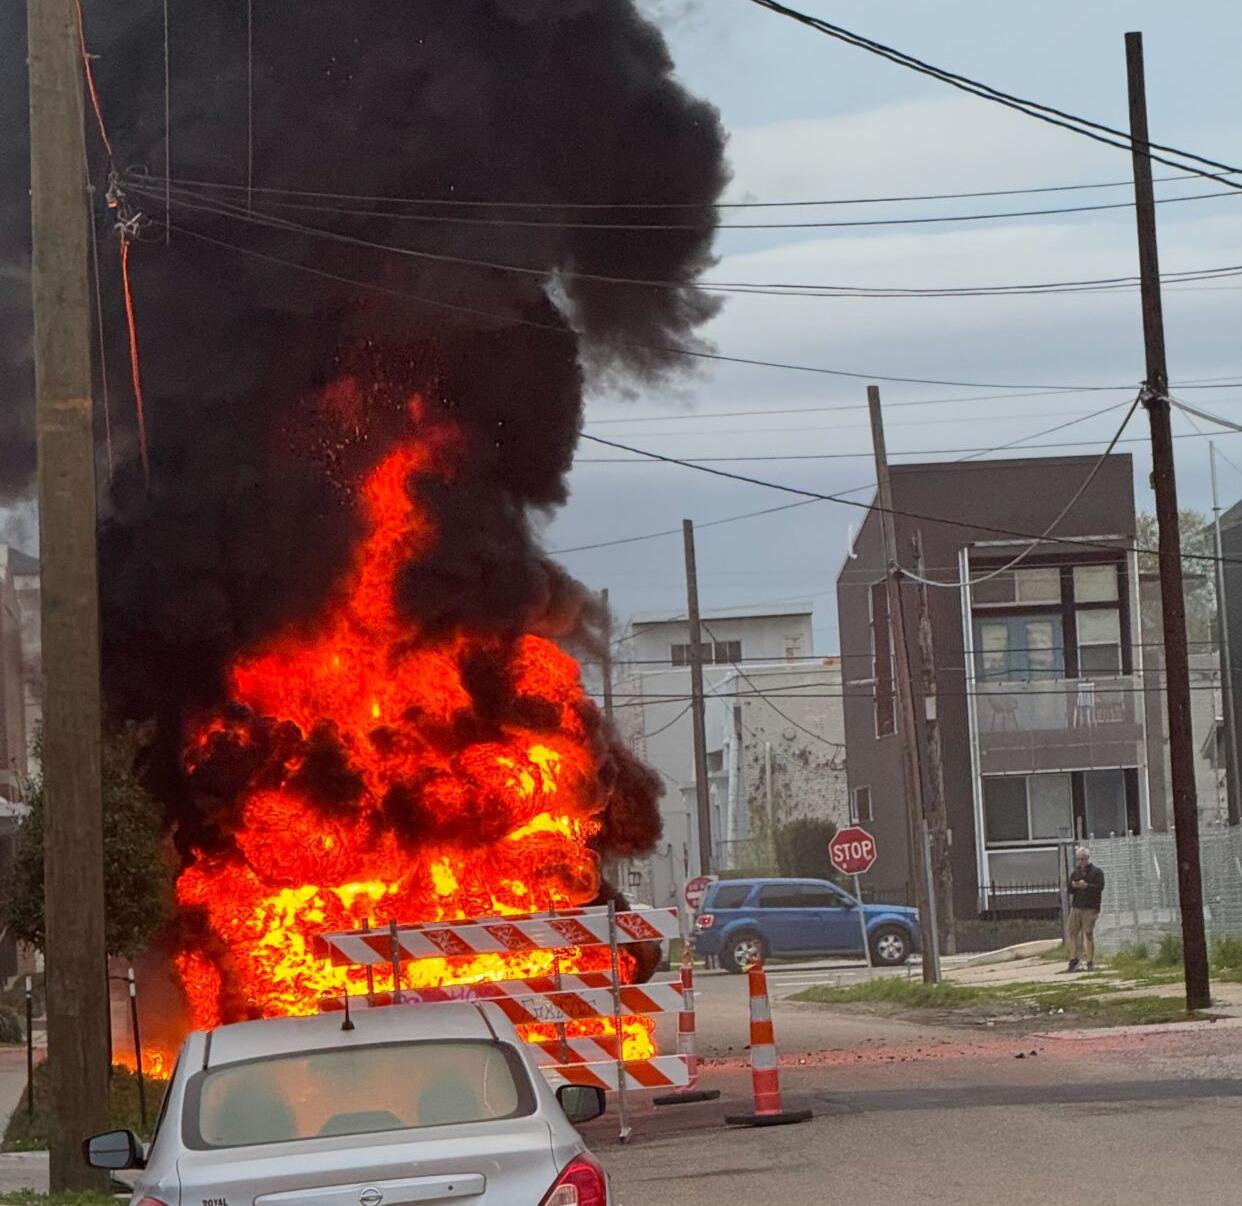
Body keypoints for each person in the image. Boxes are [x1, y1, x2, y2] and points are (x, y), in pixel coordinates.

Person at [1067, 846, 1105, 972]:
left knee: (1087, 933)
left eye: (1082, 859)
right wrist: (1074, 885)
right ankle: (1073, 959)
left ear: (1087, 858)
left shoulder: (1096, 872)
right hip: (1076, 906)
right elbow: (1070, 890)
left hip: (1090, 907)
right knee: (1072, 933)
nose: (1080, 862)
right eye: (1078, 859)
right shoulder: (1075, 873)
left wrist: (1086, 886)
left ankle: (1089, 961)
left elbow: (1099, 887)